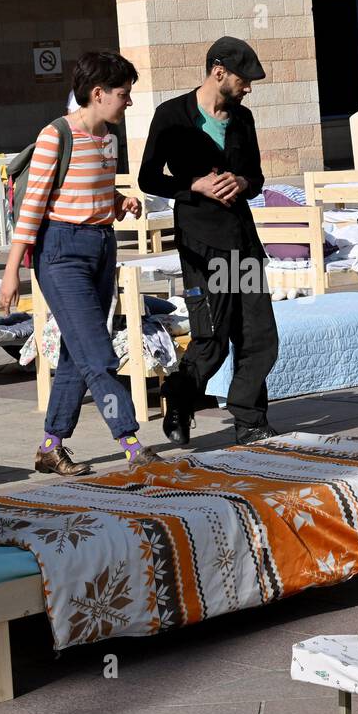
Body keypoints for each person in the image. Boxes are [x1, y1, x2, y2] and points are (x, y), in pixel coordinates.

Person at [0, 50, 158, 475]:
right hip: (60, 252)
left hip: (102, 246)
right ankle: (130, 442)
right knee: (99, 354)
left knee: (76, 352)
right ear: (97, 93)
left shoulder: (109, 138)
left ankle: (51, 446)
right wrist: (12, 270)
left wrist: (119, 202)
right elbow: (33, 207)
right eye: (123, 94)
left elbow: (95, 191)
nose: (129, 102)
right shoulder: (56, 135)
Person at [138, 36, 280, 446]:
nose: (248, 87)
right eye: (244, 79)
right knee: (213, 337)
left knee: (258, 334)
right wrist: (194, 185)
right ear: (219, 72)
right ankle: (179, 401)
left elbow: (256, 178)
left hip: (243, 242)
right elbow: (149, 177)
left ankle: (250, 419)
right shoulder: (172, 117)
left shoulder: (243, 119)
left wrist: (242, 181)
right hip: (202, 244)